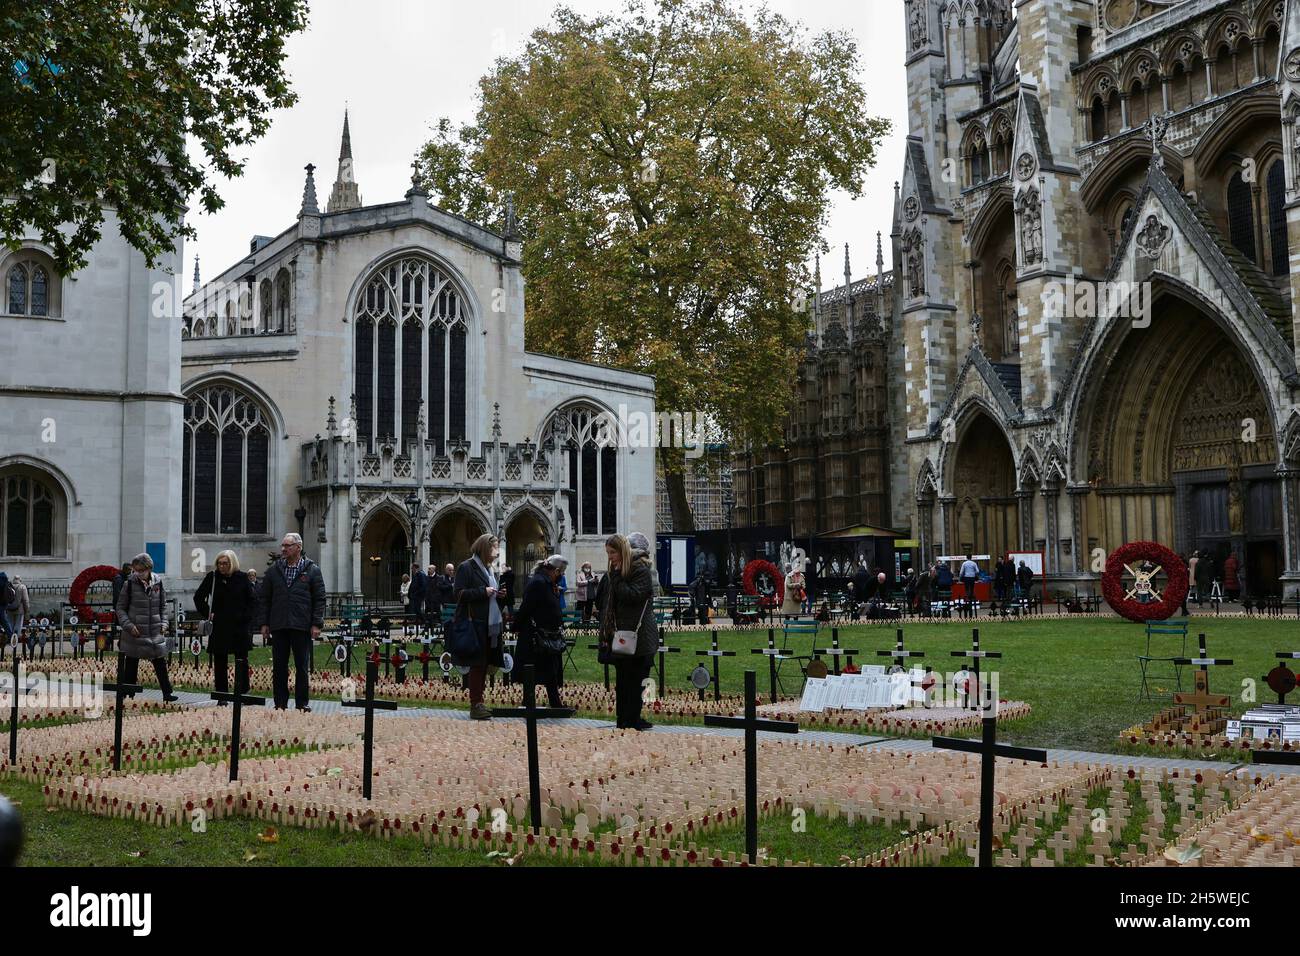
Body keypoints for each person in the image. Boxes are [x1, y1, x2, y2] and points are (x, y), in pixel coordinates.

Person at [259, 533, 326, 711]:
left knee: (301, 666)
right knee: (279, 666)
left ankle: (302, 703)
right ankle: (279, 703)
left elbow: (319, 599)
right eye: (283, 545)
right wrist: (264, 623)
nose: (283, 549)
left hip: (301, 624)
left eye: (288, 545)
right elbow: (265, 598)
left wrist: (316, 623)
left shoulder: (312, 570)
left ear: (298, 547)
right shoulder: (274, 570)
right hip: (279, 624)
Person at [599, 532, 657, 730]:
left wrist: (617, 578)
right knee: (623, 681)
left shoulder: (639, 570)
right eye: (608, 553)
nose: (610, 557)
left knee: (637, 680)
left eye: (613, 552)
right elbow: (605, 602)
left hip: (640, 636)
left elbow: (634, 596)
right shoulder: (614, 573)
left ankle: (632, 719)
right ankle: (623, 719)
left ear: (623, 551)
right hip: (621, 636)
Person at [452, 534, 506, 720]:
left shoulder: (490, 570)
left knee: (485, 664)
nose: (497, 552)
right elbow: (459, 594)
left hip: (490, 623)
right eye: (494, 548)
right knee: (477, 663)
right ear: (484, 548)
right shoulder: (466, 567)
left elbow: (490, 595)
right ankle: (475, 704)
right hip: (475, 623)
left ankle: (480, 702)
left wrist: (499, 594)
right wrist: (482, 592)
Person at [114, 553, 178, 702]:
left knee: (160, 662)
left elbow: (163, 606)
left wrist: (164, 623)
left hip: (155, 630)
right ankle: (128, 695)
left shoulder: (158, 582)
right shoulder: (128, 584)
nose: (138, 573)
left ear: (149, 569)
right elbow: (120, 608)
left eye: (142, 570)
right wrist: (129, 626)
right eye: (136, 570)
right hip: (135, 631)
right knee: (131, 662)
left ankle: (167, 693)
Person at [193, 550, 255, 700]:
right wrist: (209, 613)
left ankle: (243, 692)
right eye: (219, 563)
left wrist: (246, 617)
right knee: (220, 660)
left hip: (239, 625)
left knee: (241, 660)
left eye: (225, 563)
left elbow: (252, 600)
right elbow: (199, 597)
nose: (222, 566)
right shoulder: (213, 577)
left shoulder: (241, 577)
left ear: (232, 563)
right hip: (219, 624)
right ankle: (222, 694)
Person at [512, 555, 567, 707]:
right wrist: (516, 626)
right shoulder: (538, 583)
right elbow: (526, 607)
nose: (562, 576)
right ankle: (528, 702)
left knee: (550, 671)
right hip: (536, 635)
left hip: (547, 634)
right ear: (555, 571)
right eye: (561, 573)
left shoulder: (547, 582)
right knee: (533, 670)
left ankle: (555, 702)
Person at [407, 562, 427, 627]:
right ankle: (418, 620)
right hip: (415, 595)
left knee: (417, 609)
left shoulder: (421, 574)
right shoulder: (416, 574)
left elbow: (423, 586)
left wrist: (416, 593)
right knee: (416, 609)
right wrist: (410, 593)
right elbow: (413, 584)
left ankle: (423, 621)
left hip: (419, 595)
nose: (411, 570)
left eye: (412, 568)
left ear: (415, 568)